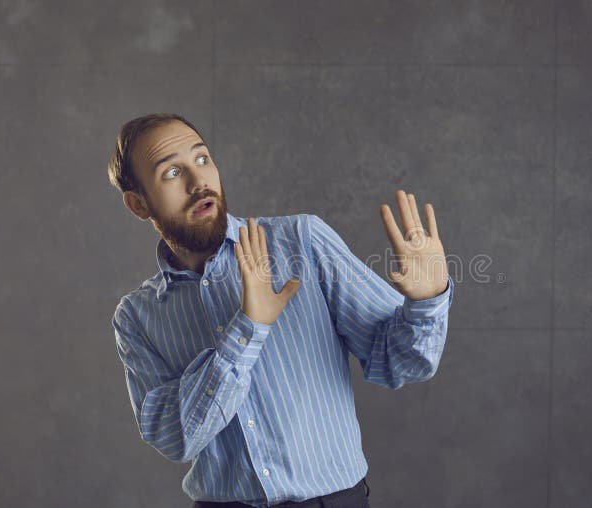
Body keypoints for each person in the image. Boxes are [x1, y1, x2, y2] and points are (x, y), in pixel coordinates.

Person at [107, 113, 454, 507]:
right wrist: (248, 328)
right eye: (171, 173)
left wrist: (427, 301)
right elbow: (175, 438)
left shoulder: (302, 242)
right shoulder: (137, 316)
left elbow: (400, 363)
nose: (198, 181)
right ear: (138, 204)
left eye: (202, 160)